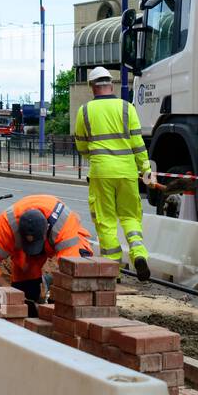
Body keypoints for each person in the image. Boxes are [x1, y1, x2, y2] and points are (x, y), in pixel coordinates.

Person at [74, 66, 153, 282]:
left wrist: (94, 156)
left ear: (92, 87)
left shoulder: (85, 111)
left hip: (101, 172)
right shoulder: (127, 108)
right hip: (127, 172)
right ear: (111, 84)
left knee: (106, 220)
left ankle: (113, 271)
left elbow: (81, 145)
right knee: (130, 217)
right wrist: (146, 170)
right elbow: (138, 142)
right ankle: (138, 254)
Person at [0, 195, 93, 314]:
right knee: (25, 277)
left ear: (46, 230)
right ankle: (32, 302)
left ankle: (49, 282)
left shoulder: (64, 229)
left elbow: (72, 271)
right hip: (24, 238)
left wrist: (56, 299)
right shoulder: (7, 225)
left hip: (64, 237)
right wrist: (6, 289)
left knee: (79, 271)